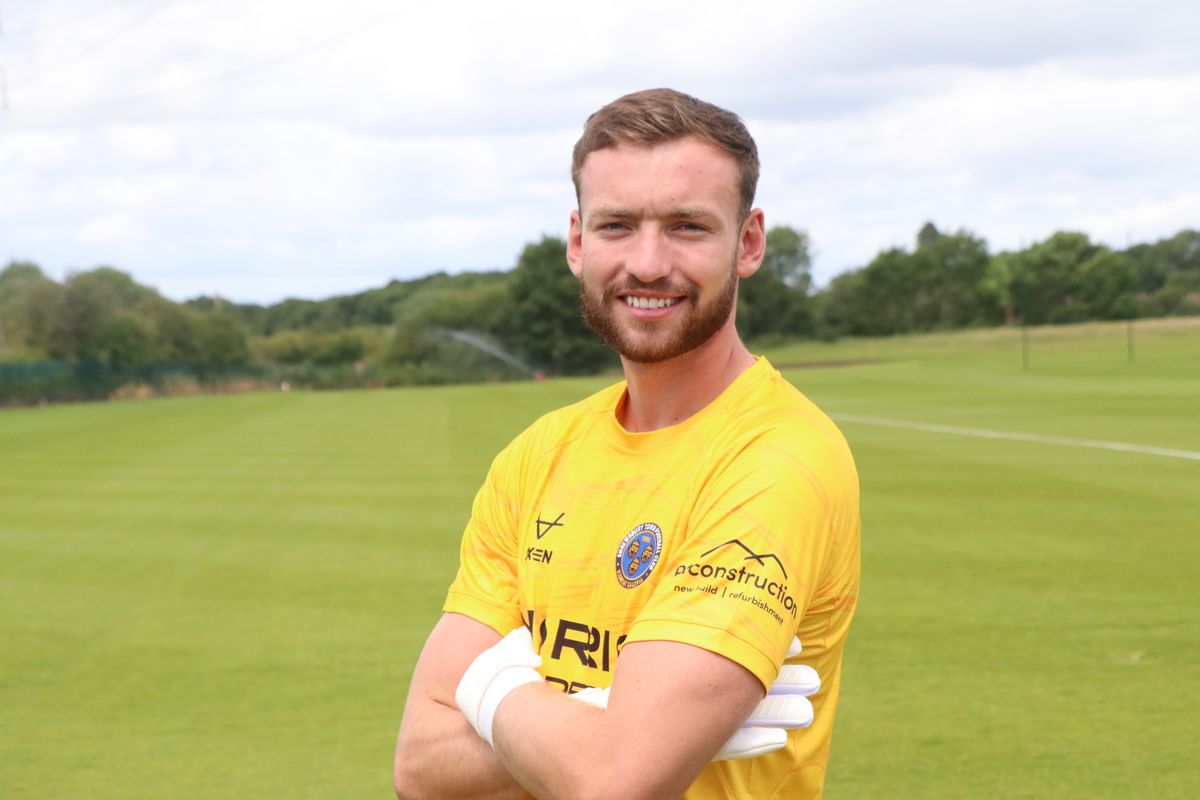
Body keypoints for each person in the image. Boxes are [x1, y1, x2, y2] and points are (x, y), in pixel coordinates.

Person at [393, 88, 860, 800]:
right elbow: (421, 765)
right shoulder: (537, 454)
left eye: (686, 227)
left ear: (750, 242)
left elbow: (615, 783)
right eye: (617, 226)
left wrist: (490, 691)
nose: (647, 263)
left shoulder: (776, 461)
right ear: (579, 243)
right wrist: (601, 720)